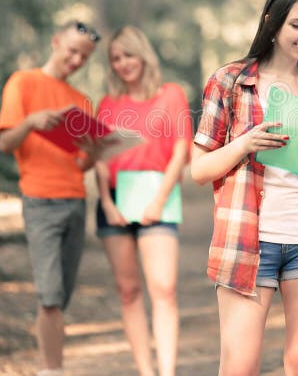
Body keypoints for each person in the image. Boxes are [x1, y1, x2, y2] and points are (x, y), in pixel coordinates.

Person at [190, 0, 298, 375]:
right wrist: (245, 143)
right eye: (297, 25)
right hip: (248, 240)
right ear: (272, 22)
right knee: (241, 365)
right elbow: (198, 169)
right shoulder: (229, 82)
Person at [0, 20, 102, 376]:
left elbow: (83, 164)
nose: (76, 60)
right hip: (39, 200)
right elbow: (5, 143)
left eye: (84, 57)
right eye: (72, 51)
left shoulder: (80, 101)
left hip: (74, 200)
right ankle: (51, 370)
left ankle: (53, 367)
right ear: (55, 42)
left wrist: (94, 151)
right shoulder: (22, 82)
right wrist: (31, 122)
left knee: (61, 295)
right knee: (50, 295)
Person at [94, 26, 192, 376]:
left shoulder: (171, 95)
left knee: (163, 289)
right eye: (116, 58)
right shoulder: (107, 104)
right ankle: (145, 372)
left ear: (143, 55)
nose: (123, 63)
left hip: (159, 197)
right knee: (128, 291)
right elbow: (99, 159)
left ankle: (167, 372)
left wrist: (158, 201)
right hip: (116, 202)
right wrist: (106, 202)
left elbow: (182, 151)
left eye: (128, 55)